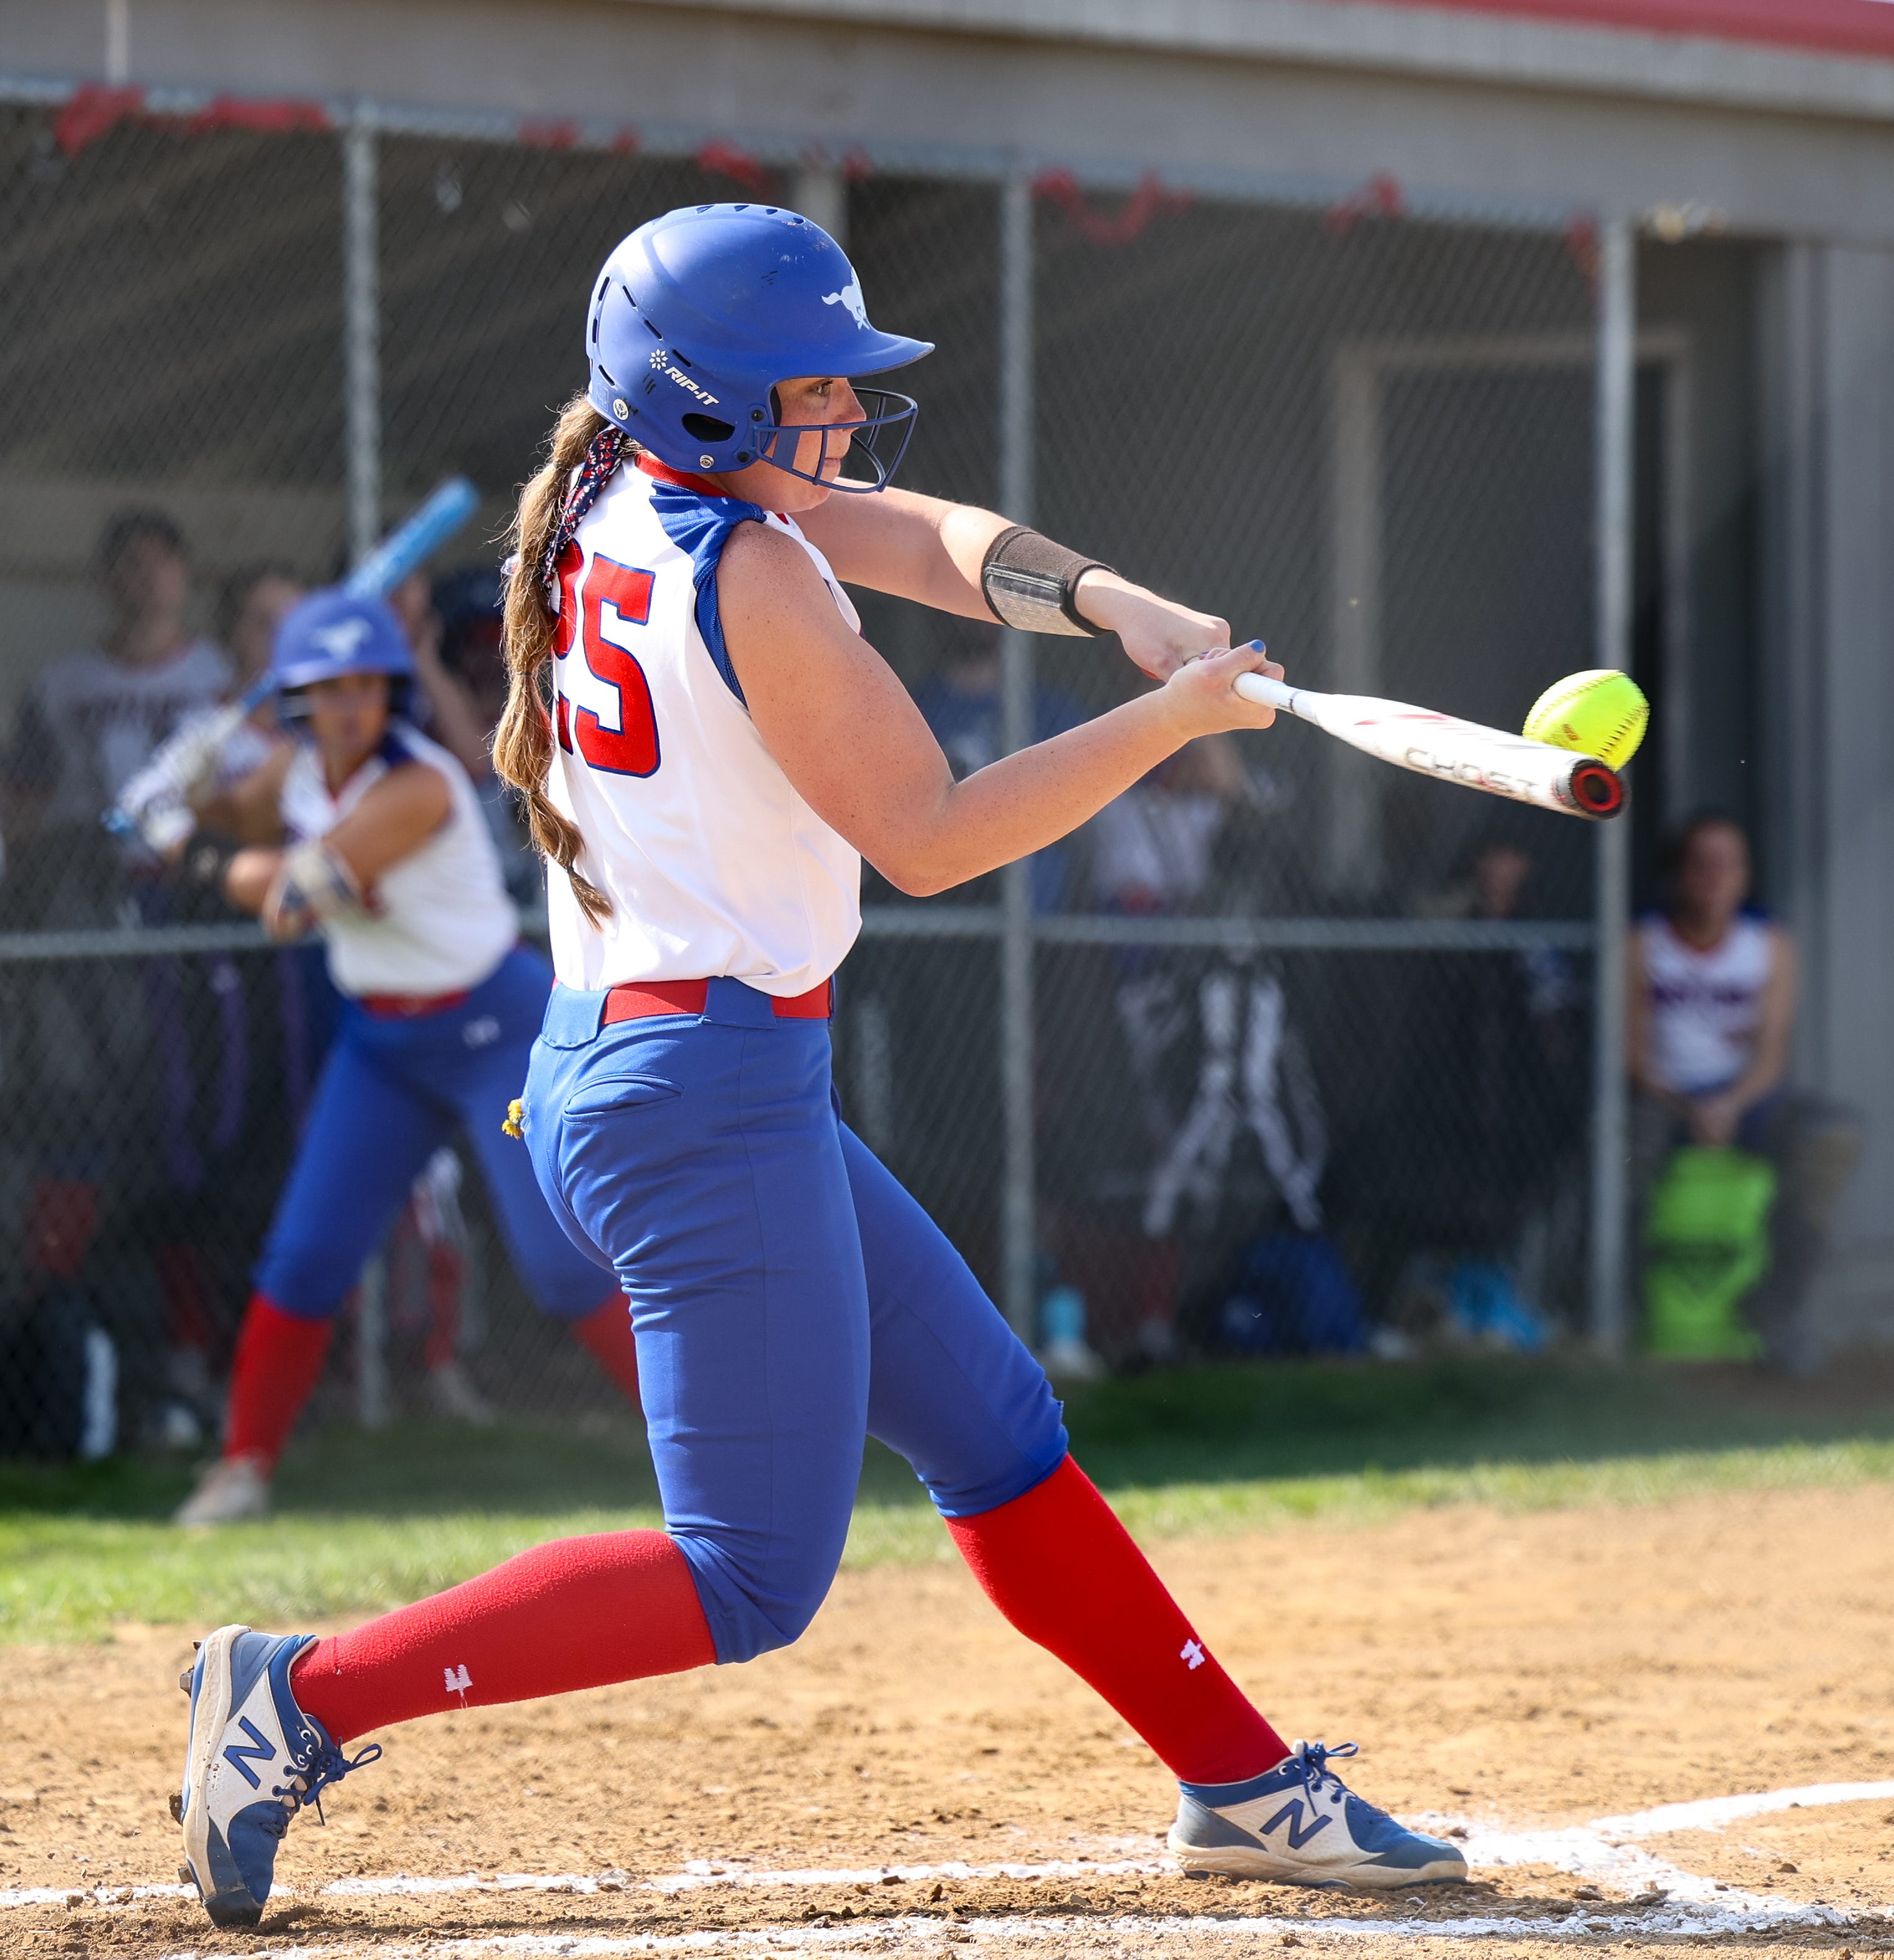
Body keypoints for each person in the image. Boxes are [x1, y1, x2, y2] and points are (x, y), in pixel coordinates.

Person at [173, 204, 1466, 1927]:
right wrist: (1169, 725)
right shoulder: (753, 563)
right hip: (696, 1099)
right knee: (749, 1573)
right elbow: (931, 836)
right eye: (811, 391)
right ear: (704, 402)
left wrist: (1110, 605)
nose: (843, 417)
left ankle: (1241, 1783)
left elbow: (918, 539)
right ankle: (300, 1694)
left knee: (998, 1430)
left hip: (656, 1067)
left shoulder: (613, 501)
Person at [167, 587, 645, 1528]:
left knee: (562, 1264)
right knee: (304, 1257)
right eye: (326, 689)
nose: (348, 707)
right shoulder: (295, 772)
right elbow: (240, 820)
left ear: (392, 692)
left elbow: (295, 897)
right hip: (382, 1043)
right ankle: (241, 1468)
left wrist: (188, 853)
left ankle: (707, 1445)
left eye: (366, 687)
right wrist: (188, 792)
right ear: (296, 701)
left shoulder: (419, 783)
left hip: (494, 1029)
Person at [1628, 810, 1862, 1363]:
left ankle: (1774, 1314)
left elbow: (1772, 1056)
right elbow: (1632, 1056)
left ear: (1745, 875)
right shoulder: (1644, 941)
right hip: (1664, 1098)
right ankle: (1627, 1315)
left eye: (1727, 864)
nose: (1713, 877)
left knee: (1831, 1136)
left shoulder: (1769, 944)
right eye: (1700, 863)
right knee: (1616, 1148)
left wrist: (1729, 1103)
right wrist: (1690, 1105)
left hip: (1747, 1098)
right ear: (1679, 872)